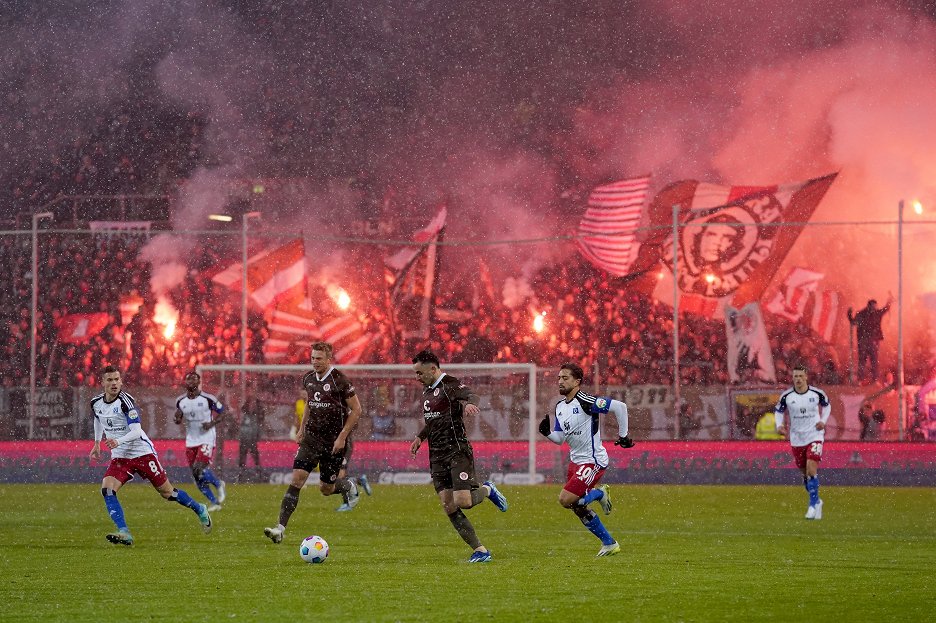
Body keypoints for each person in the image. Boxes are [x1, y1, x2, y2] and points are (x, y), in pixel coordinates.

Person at [90, 365, 212, 545]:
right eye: (110, 380)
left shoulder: (126, 401)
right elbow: (98, 418)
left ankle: (199, 508)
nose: (114, 383)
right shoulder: (96, 403)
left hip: (142, 453)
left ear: (121, 381)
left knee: (168, 493)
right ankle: (124, 532)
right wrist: (97, 443)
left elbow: (137, 431)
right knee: (107, 489)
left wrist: (118, 441)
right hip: (121, 457)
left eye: (117, 379)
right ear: (102, 383)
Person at [409, 350, 508, 563]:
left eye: (419, 373)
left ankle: (488, 490)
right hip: (436, 456)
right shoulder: (427, 391)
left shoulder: (450, 384)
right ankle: (480, 550)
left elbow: (472, 395)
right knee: (449, 505)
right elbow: (434, 421)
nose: (417, 377)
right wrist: (420, 437)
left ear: (432, 369)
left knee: (463, 501)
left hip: (456, 451)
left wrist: (471, 404)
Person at [264, 342, 363, 543]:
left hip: (333, 443)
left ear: (329, 359)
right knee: (297, 480)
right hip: (311, 440)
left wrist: (342, 436)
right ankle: (280, 529)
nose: (315, 362)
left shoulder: (340, 380)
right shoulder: (308, 379)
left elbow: (357, 410)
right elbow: (310, 403)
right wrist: (301, 429)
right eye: (312, 358)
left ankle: (349, 485)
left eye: (319, 358)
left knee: (326, 489)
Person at [539, 362, 634, 557]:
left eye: (565, 378)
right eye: (559, 378)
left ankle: (599, 494)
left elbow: (620, 407)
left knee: (565, 499)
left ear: (577, 381)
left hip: (593, 461)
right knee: (577, 506)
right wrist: (547, 432)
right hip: (575, 463)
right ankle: (609, 543)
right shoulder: (559, 407)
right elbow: (559, 439)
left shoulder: (586, 400)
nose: (560, 381)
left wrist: (623, 436)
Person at [774, 364, 830, 520]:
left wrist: (823, 421)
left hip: (815, 435)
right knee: (805, 474)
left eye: (800, 376)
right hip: (797, 438)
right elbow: (778, 411)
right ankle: (817, 501)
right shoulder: (787, 396)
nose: (797, 379)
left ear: (806, 377)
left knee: (812, 469)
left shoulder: (816, 393)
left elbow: (827, 406)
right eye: (795, 376)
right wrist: (779, 425)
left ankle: (812, 506)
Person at [174, 371, 227, 511]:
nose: (191, 381)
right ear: (185, 383)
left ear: (198, 382)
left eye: (194, 379)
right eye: (188, 379)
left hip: (207, 437)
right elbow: (177, 415)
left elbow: (223, 412)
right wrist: (177, 419)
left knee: (199, 468)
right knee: (196, 474)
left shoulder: (208, 399)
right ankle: (215, 502)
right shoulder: (180, 401)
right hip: (191, 439)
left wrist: (211, 423)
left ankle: (218, 484)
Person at [847, 297, 892, 384]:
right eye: (873, 306)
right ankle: (863, 379)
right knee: (865, 361)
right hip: (866, 342)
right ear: (869, 306)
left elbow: (885, 309)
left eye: (875, 306)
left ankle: (872, 380)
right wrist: (849, 315)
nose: (875, 308)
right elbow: (853, 322)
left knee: (871, 361)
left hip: (870, 342)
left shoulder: (873, 313)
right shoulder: (862, 314)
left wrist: (889, 302)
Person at [237, 394, 265, 481]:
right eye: (250, 403)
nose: (252, 406)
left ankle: (259, 473)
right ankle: (241, 474)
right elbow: (239, 422)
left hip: (252, 438)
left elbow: (261, 418)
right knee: (243, 456)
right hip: (244, 438)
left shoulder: (257, 415)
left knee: (255, 456)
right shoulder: (244, 413)